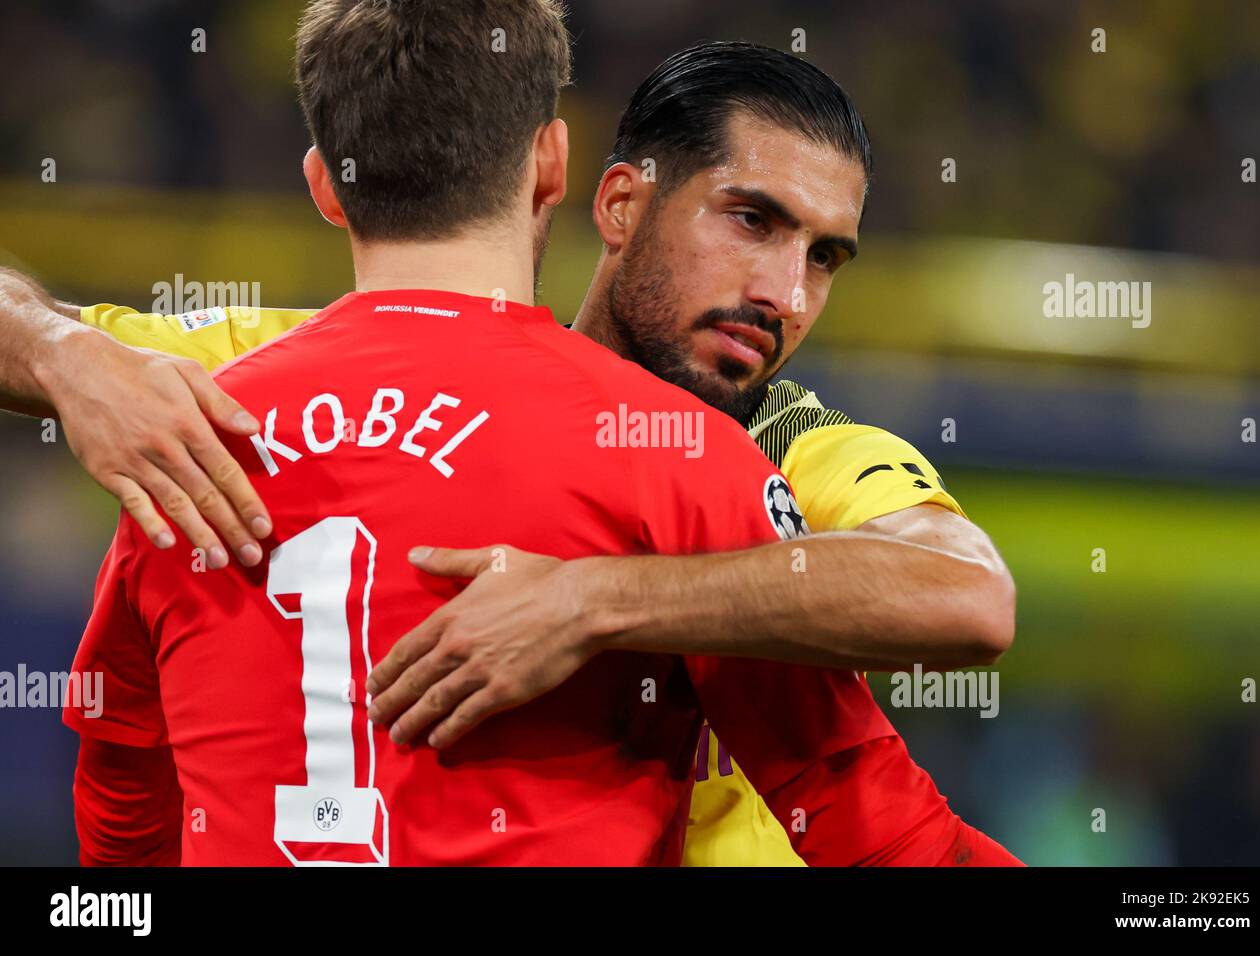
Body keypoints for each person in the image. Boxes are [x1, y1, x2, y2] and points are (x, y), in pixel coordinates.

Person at [0, 38, 1019, 864]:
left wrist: (592, 599)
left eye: (824, 258)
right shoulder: (271, 365)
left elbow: (965, 596)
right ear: (611, 199)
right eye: (752, 220)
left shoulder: (791, 441)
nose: (785, 294)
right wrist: (64, 354)